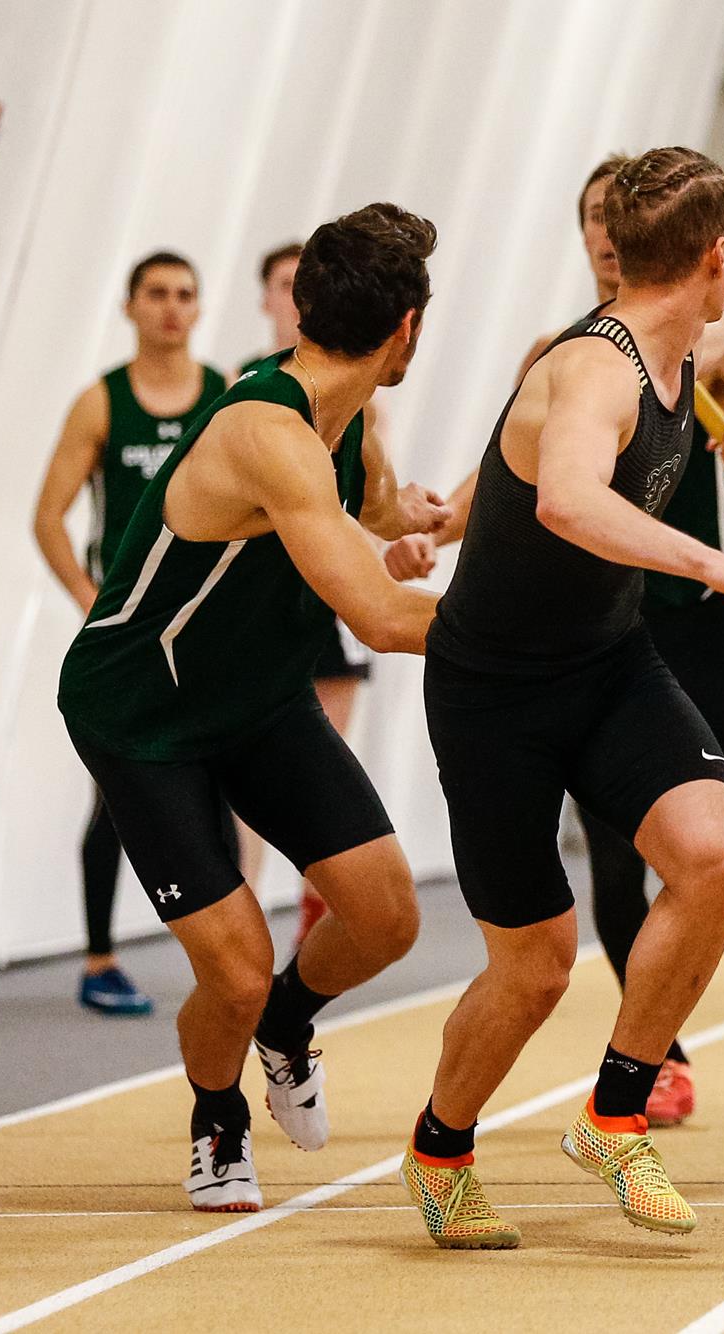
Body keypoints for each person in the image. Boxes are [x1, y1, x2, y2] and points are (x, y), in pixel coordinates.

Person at [405, 146, 724, 1249]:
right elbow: (567, 502)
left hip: (604, 663)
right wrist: (719, 563)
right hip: (494, 690)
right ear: (706, 254)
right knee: (535, 961)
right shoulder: (591, 366)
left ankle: (613, 1109)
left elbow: (721, 336)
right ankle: (441, 1146)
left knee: (717, 856)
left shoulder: (681, 333)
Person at [57, 203, 449, 1212]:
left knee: (386, 915)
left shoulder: (349, 409)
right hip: (142, 714)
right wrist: (551, 626)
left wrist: (407, 519)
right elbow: (373, 616)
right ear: (407, 327)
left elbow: (363, 502)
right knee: (232, 969)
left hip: (254, 700)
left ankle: (286, 1023)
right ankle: (216, 1113)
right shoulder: (263, 426)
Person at [33, 252, 230, 1018]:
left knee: (216, 791)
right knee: (116, 796)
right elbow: (47, 517)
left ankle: (220, 953)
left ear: (200, 308)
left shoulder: (223, 396)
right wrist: (92, 602)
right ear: (130, 307)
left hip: (205, 629)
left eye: (185, 295)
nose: (171, 309)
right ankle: (99, 957)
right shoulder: (103, 403)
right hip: (128, 637)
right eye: (157, 295)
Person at [241, 242, 434, 947]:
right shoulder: (252, 400)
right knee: (254, 774)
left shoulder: (358, 407)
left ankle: (312, 910)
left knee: (322, 753)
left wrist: (403, 539)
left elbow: (367, 504)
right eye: (285, 286)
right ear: (268, 300)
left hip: (331, 602)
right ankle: (248, 913)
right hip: (263, 609)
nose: (297, 300)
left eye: (306, 286)